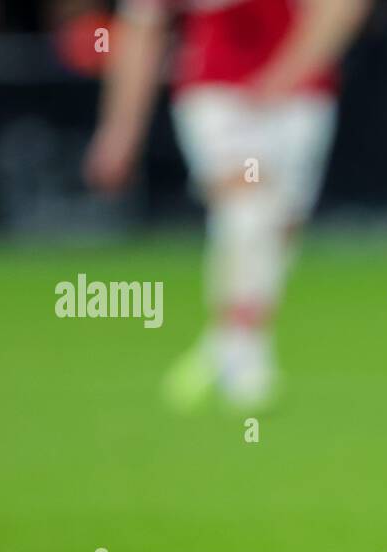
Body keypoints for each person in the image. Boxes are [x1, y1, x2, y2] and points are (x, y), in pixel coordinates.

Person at [84, 0, 370, 410]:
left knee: (278, 228)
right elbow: (140, 31)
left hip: (302, 89)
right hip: (214, 89)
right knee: (246, 209)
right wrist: (119, 131)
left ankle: (222, 344)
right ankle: (247, 359)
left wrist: (286, 73)